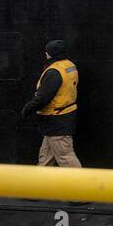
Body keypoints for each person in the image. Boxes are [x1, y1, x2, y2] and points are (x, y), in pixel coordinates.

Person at [20, 40, 81, 168]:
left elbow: (43, 98)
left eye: (48, 51)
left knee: (66, 157)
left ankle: (83, 185)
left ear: (53, 53)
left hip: (57, 120)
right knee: (45, 158)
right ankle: (40, 185)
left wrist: (27, 108)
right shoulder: (69, 65)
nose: (46, 54)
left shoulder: (54, 72)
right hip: (58, 119)